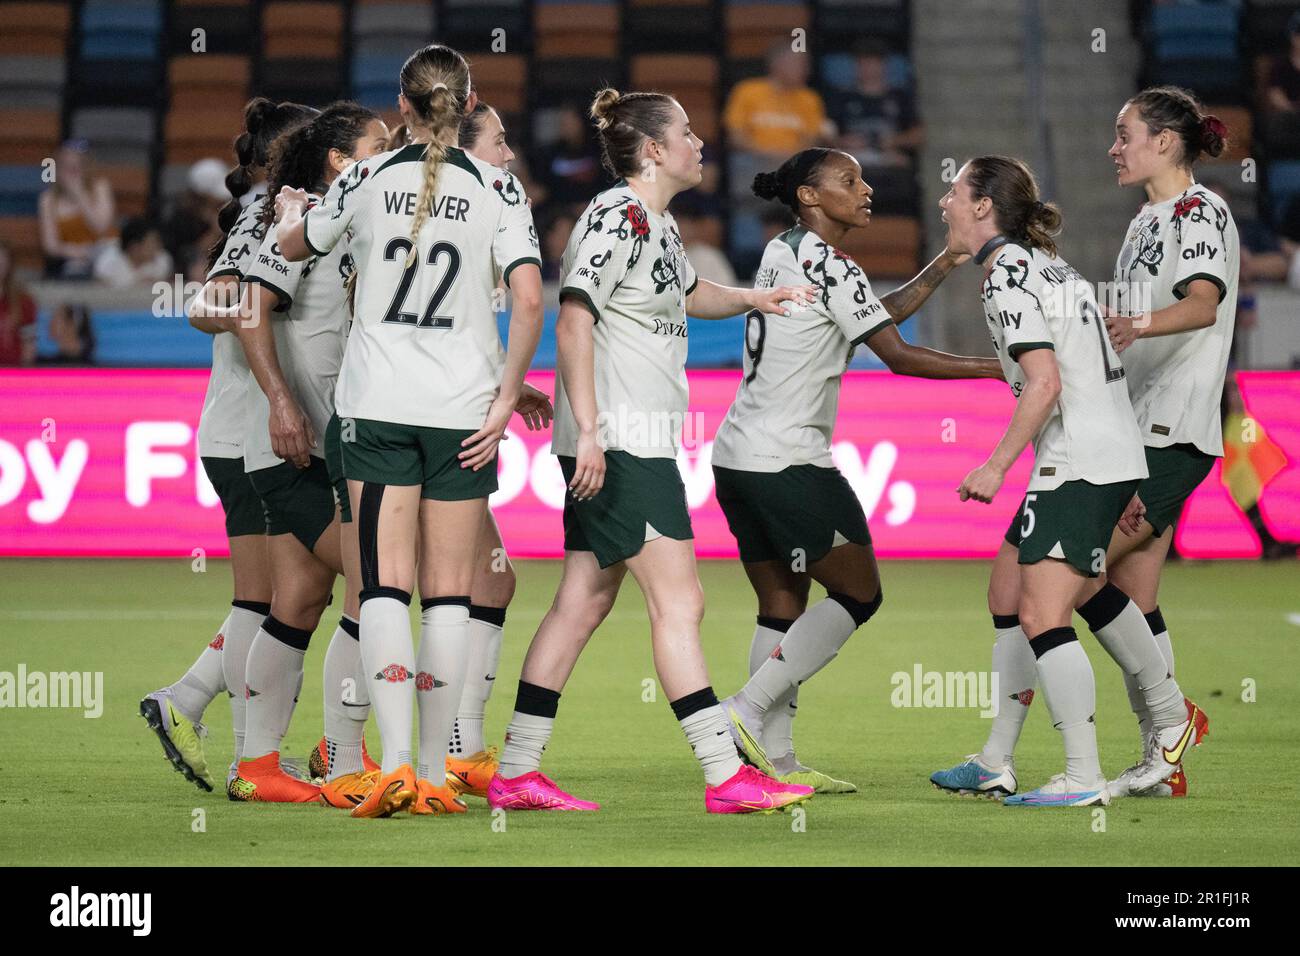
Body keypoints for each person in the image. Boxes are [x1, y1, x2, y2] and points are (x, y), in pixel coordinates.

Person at [489, 86, 816, 815]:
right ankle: (724, 774)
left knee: (582, 601)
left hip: (627, 441)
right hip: (623, 442)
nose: (700, 143)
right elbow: (573, 320)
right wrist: (594, 430)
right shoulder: (616, 215)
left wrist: (754, 299)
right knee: (682, 600)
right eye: (688, 132)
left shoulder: (656, 225)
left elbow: (686, 292)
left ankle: (516, 770)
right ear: (654, 151)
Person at [274, 44, 545, 819]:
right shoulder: (499, 186)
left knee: (385, 586)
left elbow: (298, 246)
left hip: (377, 407)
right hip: (461, 411)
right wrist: (501, 398)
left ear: (402, 107)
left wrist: (296, 212)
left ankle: (389, 764)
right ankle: (434, 769)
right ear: (466, 105)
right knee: (451, 596)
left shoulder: (363, 177)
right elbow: (529, 303)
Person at [712, 147, 1002, 793]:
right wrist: (1000, 368)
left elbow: (870, 315)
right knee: (859, 593)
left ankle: (774, 761)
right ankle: (744, 712)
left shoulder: (786, 250)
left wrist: (942, 265)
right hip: (788, 461)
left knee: (782, 602)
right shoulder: (832, 265)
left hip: (737, 456)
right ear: (812, 197)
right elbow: (896, 355)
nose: (866, 189)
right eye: (850, 181)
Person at [928, 156, 1182, 807]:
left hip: (1078, 459)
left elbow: (1045, 381)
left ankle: (1085, 770)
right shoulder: (1047, 266)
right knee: (1015, 589)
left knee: (1043, 610)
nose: (944, 205)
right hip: (1107, 449)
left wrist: (994, 464)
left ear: (984, 207)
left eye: (954, 193)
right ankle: (996, 760)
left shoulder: (1007, 275)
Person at [138, 97, 317, 795]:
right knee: (275, 599)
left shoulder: (284, 209)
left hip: (245, 427)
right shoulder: (271, 208)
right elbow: (204, 304)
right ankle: (252, 760)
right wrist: (249, 321)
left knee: (270, 598)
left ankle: (196, 710)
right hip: (250, 430)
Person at [220, 102, 390, 805]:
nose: (395, 150)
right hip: (290, 447)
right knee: (367, 581)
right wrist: (282, 403)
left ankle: (258, 767)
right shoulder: (303, 217)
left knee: (300, 595)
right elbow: (248, 306)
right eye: (381, 144)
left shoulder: (355, 219)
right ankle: (342, 754)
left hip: (328, 444)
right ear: (339, 161)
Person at [1095, 86, 1236, 797]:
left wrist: (1134, 327)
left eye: (1125, 135)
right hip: (1135, 424)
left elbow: (1203, 303)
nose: (1115, 148)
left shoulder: (1200, 210)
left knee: (1077, 569)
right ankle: (1163, 763)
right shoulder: (1144, 220)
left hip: (1171, 430)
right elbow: (1127, 320)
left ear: (1165, 142)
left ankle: (1171, 716)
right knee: (1133, 589)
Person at [38, 139, 116, 279]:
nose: (71, 174)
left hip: (106, 252)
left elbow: (100, 227)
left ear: (85, 168)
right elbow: (51, 246)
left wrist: (80, 196)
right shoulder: (48, 199)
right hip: (73, 257)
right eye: (66, 168)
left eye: (76, 168)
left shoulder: (100, 187)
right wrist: (82, 252)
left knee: (108, 262)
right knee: (75, 269)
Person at [92, 217, 173, 288]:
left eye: (157, 243)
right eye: (151, 243)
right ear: (134, 247)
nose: (157, 248)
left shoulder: (162, 259)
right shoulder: (108, 263)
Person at [0, 240, 37, 367]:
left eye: (2, 260)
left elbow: (28, 343)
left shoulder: (24, 301)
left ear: (9, 264)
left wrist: (25, 375)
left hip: (13, 372)